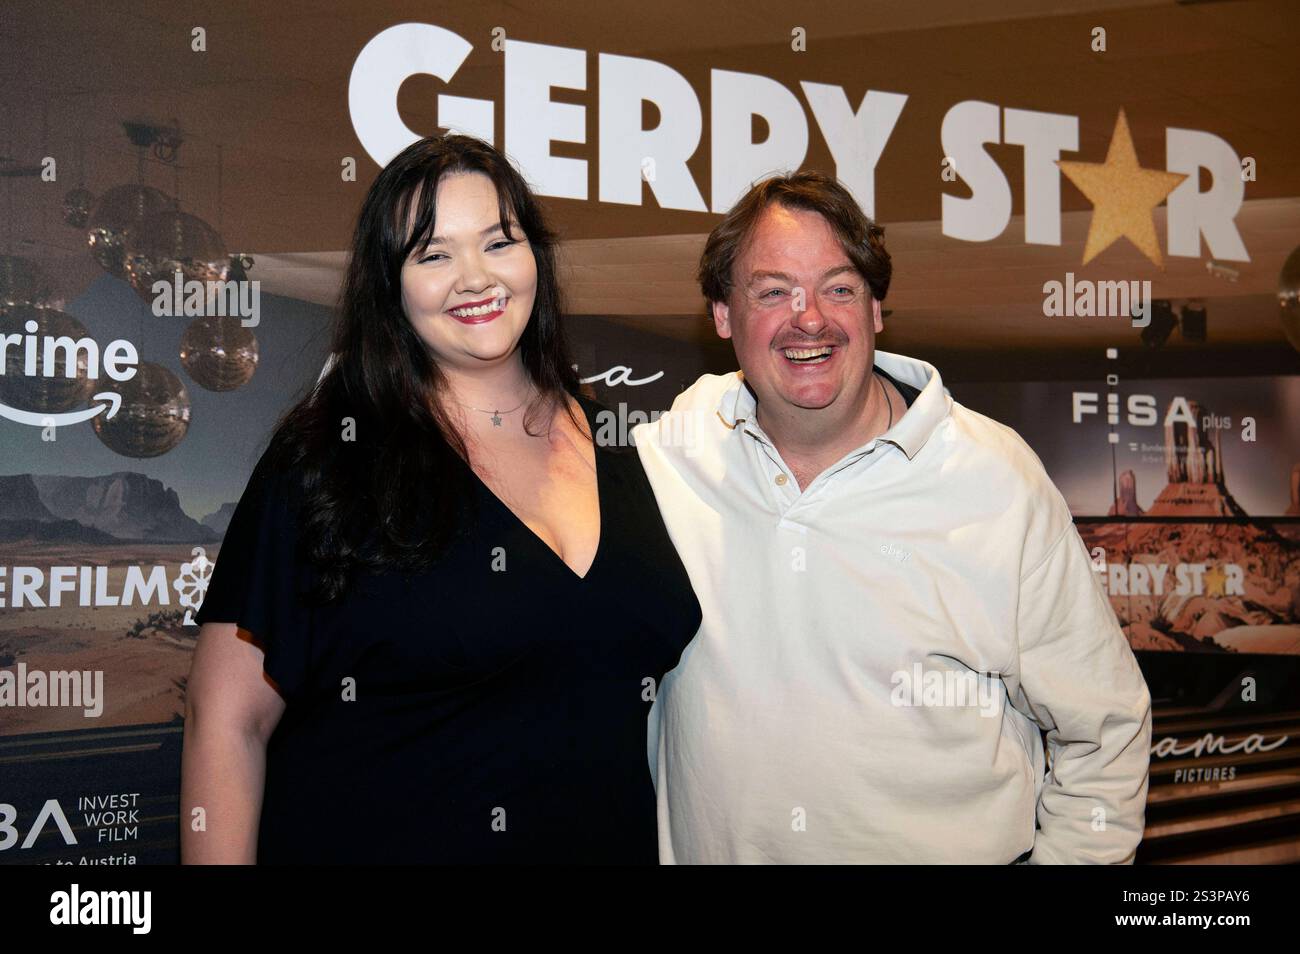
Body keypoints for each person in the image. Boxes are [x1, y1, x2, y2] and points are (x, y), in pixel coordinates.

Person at [181, 135, 700, 864]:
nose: (474, 277)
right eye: (433, 254)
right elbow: (226, 724)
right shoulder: (328, 460)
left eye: (498, 241)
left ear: (536, 258)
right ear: (388, 287)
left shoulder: (633, 456)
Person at [633, 171, 1152, 864]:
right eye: (772, 291)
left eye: (839, 287)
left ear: (876, 308)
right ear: (722, 315)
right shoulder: (671, 454)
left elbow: (1106, 730)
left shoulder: (996, 478)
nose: (809, 317)